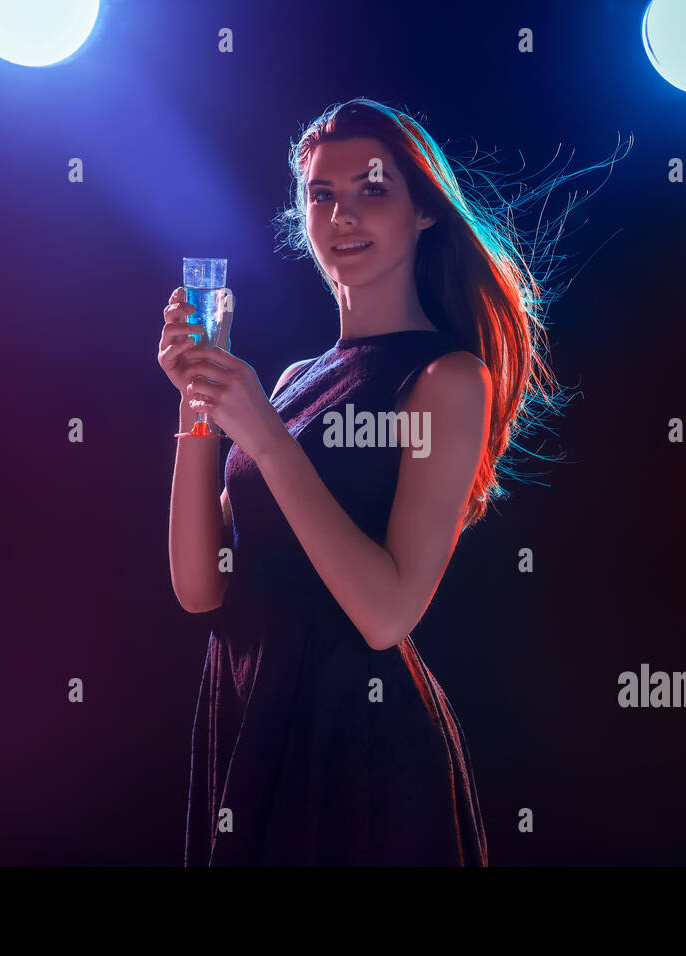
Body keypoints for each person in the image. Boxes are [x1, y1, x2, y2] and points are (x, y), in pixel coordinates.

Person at [160, 98, 626, 865]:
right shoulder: (287, 382)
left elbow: (386, 615)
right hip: (251, 719)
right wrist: (199, 402)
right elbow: (199, 588)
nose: (342, 213)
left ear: (425, 215)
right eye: (322, 194)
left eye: (372, 188)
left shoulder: (447, 378)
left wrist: (266, 436)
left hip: (361, 745)